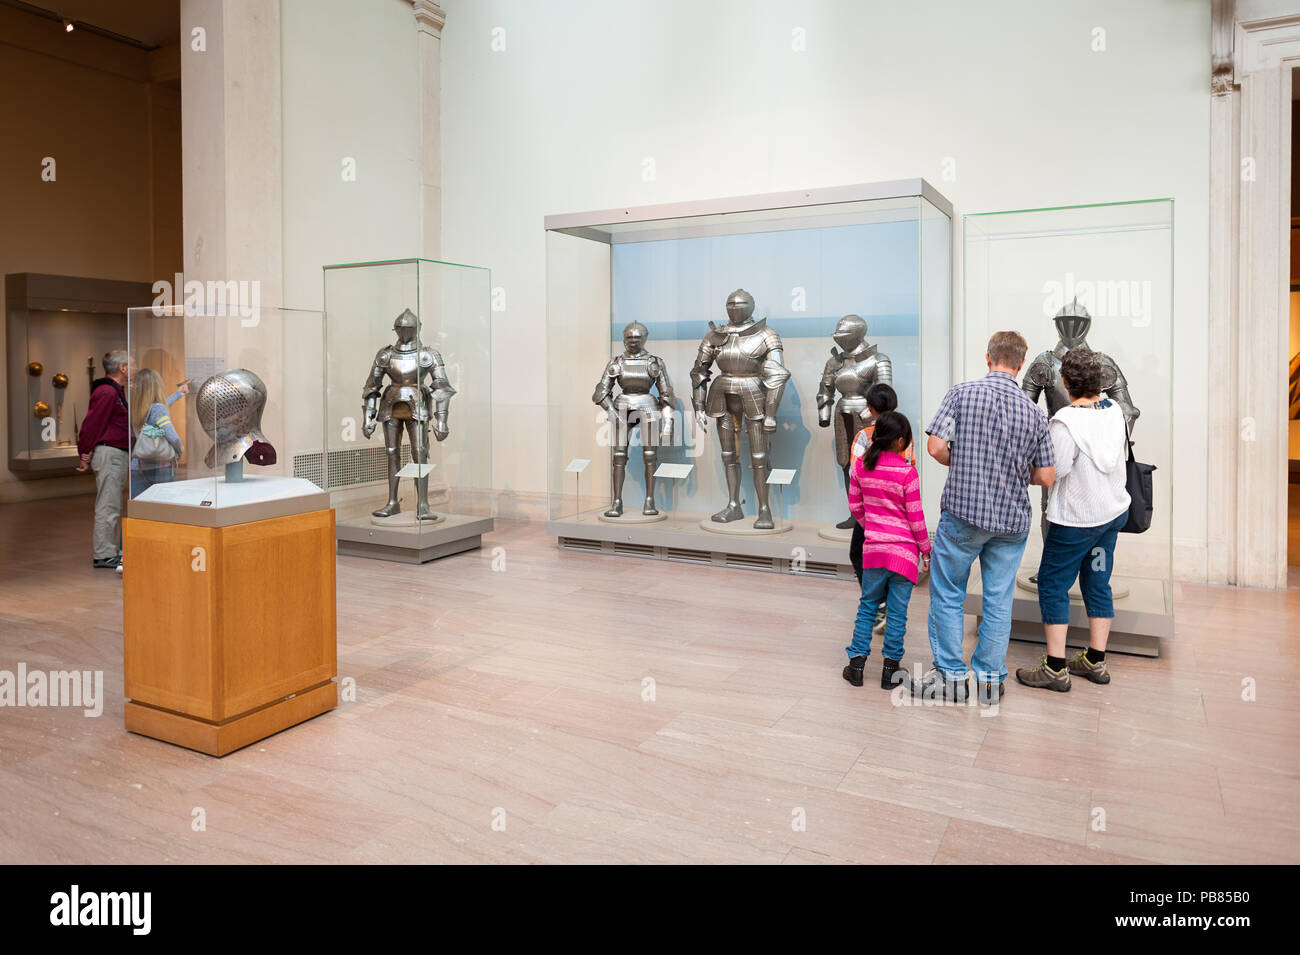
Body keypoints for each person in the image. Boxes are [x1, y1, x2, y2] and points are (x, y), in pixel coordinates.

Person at [919, 332, 1056, 703]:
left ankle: (949, 676)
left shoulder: (962, 393)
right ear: (1021, 364)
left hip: (964, 514)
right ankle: (990, 682)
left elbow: (934, 447)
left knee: (949, 594)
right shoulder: (1034, 412)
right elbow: (1045, 476)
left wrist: (961, 462)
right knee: (998, 599)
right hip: (1011, 522)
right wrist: (1011, 472)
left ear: (988, 358)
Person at [1016, 348, 1130, 692]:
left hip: (1076, 520)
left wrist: (1026, 474)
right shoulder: (1114, 411)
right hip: (1111, 514)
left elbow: (1053, 474)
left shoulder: (1065, 422)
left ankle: (1054, 667)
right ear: (1100, 382)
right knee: (1097, 582)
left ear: (1065, 383)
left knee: (1052, 585)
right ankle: (1095, 660)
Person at [842, 411, 931, 690]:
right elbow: (915, 517)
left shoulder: (860, 468)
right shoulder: (907, 472)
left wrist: (874, 527)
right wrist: (926, 551)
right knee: (897, 612)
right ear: (901, 440)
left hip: (874, 551)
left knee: (867, 606)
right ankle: (890, 671)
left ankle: (856, 667)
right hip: (903, 553)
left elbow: (855, 506)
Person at [847, 382, 916, 584]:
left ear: (870, 408)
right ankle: (884, 600)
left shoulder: (864, 435)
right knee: (892, 556)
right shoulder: (904, 435)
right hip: (897, 507)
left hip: (871, 509)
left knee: (859, 554)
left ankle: (876, 600)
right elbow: (910, 466)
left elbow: (855, 473)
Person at [76, 350, 131, 569]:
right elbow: (92, 424)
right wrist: (85, 451)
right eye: (132, 365)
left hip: (115, 454)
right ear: (122, 368)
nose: (134, 369)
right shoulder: (108, 392)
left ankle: (107, 552)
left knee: (112, 504)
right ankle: (104, 554)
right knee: (108, 506)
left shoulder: (116, 391)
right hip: (110, 454)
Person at [129, 369, 188, 498]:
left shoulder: (135, 409)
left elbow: (156, 409)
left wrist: (177, 394)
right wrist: (179, 451)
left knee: (140, 510)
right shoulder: (158, 409)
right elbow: (172, 436)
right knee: (163, 510)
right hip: (159, 466)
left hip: (137, 466)